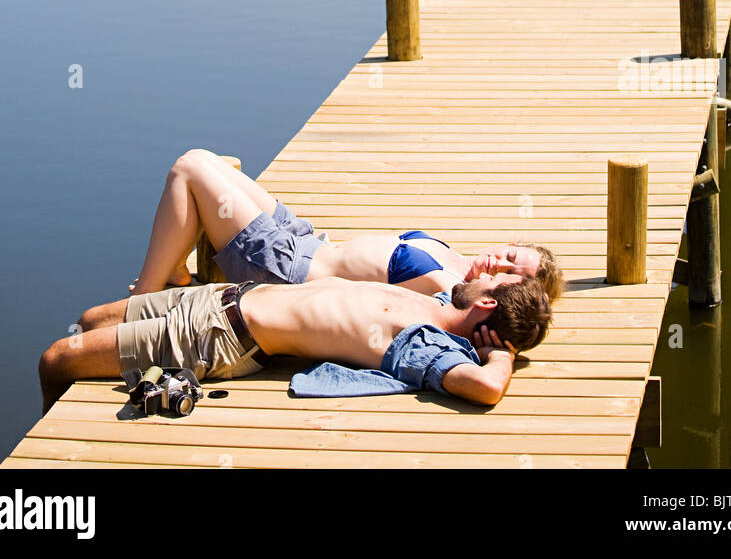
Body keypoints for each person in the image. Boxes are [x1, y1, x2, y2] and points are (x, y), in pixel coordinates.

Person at [39, 271, 552, 412]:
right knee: (89, 319)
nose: (483, 272)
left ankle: (46, 447)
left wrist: (499, 356)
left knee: (58, 358)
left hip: (216, 336)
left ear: (484, 306)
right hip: (222, 296)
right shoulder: (441, 298)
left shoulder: (428, 343)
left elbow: (484, 389)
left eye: (493, 281)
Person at [130, 148, 564, 299]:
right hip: (304, 238)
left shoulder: (450, 290)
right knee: (207, 159)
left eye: (509, 276)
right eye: (510, 256)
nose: (498, 265)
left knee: (188, 169)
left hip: (284, 268)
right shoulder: (458, 257)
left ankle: (143, 298)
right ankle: (173, 268)